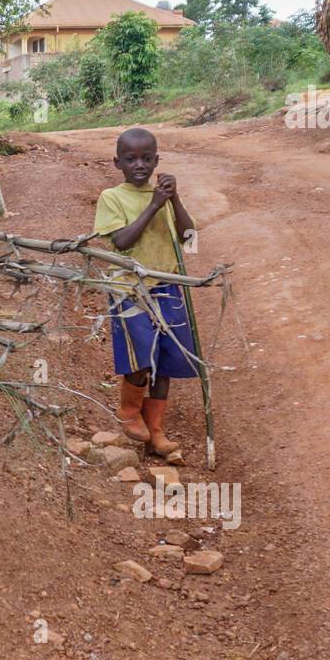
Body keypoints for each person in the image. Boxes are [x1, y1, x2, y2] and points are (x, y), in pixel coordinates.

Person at [93, 127, 198, 458]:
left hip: (167, 285)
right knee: (141, 355)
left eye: (146, 158)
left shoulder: (165, 197)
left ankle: (156, 431)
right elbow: (122, 242)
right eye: (131, 159)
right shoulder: (112, 197)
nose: (139, 165)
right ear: (117, 163)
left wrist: (174, 198)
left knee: (166, 360)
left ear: (157, 160)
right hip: (130, 290)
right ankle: (128, 411)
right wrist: (153, 205)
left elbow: (189, 235)